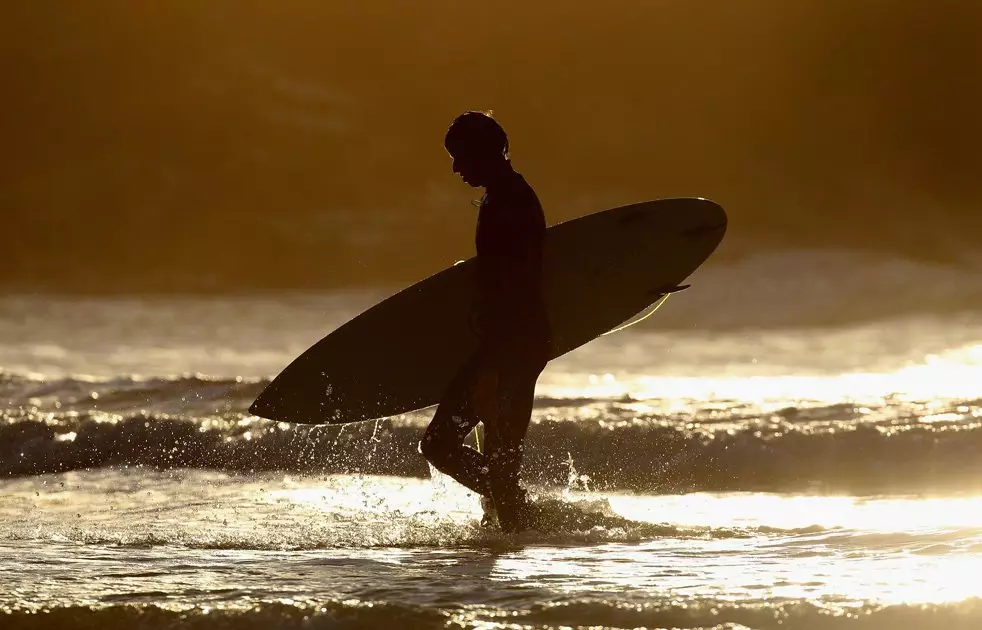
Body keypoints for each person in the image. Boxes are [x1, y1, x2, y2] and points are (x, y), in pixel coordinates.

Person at [419, 111, 552, 532]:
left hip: (512, 346)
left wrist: (491, 370)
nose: (456, 168)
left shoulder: (509, 203)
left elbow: (518, 287)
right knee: (498, 458)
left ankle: (519, 517)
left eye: (460, 157)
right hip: (520, 342)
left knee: (441, 444)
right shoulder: (507, 194)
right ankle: (517, 524)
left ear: (482, 153)